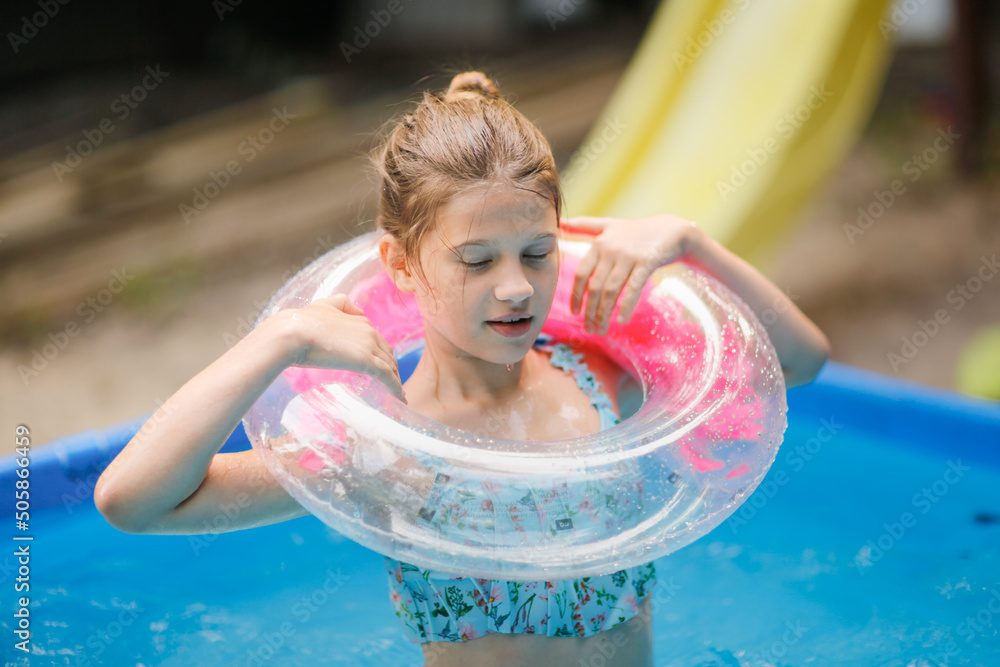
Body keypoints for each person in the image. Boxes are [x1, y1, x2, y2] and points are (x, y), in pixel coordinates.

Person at [94, 71, 829, 667]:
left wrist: (691, 244)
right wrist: (278, 339)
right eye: (476, 262)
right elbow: (132, 501)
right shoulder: (380, 448)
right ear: (400, 265)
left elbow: (799, 361)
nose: (516, 288)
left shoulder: (597, 381)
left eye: (537, 253)